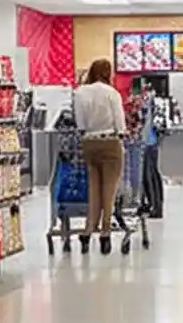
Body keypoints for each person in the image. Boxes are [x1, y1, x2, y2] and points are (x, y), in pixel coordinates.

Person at [73, 58, 127, 255]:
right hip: (110, 142)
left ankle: (88, 230)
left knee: (94, 188)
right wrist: (121, 133)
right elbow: (120, 123)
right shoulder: (112, 93)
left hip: (89, 143)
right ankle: (105, 233)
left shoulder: (79, 93)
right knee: (109, 190)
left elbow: (80, 123)